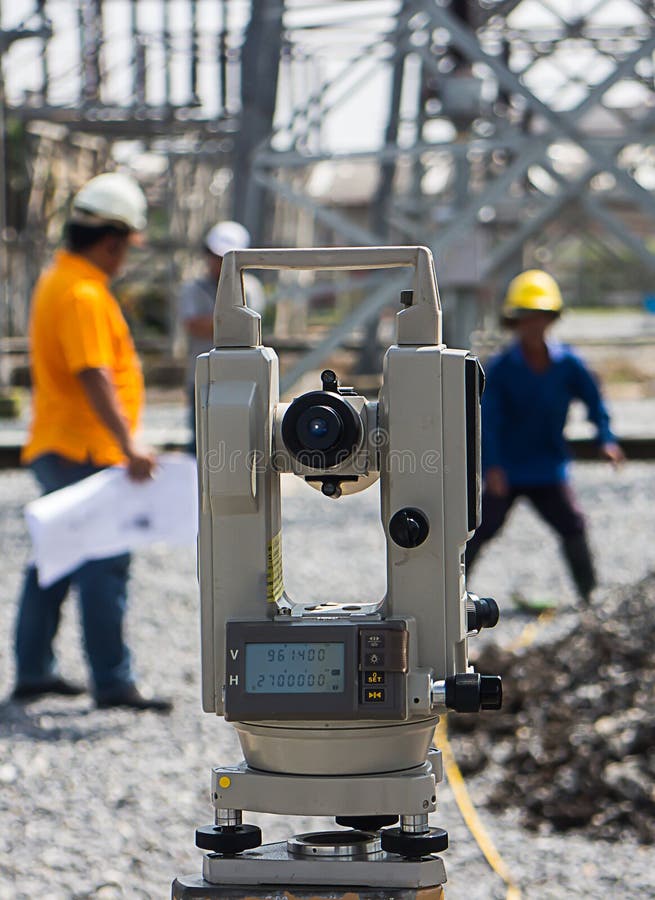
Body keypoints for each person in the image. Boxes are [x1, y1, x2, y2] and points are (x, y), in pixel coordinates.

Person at [12, 172, 172, 711]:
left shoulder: (62, 279)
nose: (125, 256)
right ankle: (113, 682)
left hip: (63, 444)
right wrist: (129, 445)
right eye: (127, 245)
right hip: (84, 450)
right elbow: (93, 372)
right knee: (104, 562)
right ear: (111, 240)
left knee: (54, 558)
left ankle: (34, 671)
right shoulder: (81, 293)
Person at [465, 269, 624, 604]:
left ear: (551, 319)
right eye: (527, 318)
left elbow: (595, 402)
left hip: (548, 467)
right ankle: (451, 595)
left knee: (573, 525)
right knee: (480, 530)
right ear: (515, 322)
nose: (534, 326)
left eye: (540, 317)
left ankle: (589, 596)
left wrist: (606, 440)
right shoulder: (503, 368)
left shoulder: (569, 364)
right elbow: (488, 422)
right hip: (507, 469)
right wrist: (491, 467)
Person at [179, 221, 265, 453]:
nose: (219, 263)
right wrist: (230, 322)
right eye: (216, 256)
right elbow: (193, 325)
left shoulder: (251, 288)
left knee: (240, 445)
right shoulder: (193, 288)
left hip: (242, 377)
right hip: (203, 377)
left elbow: (248, 328)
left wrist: (214, 322)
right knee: (201, 444)